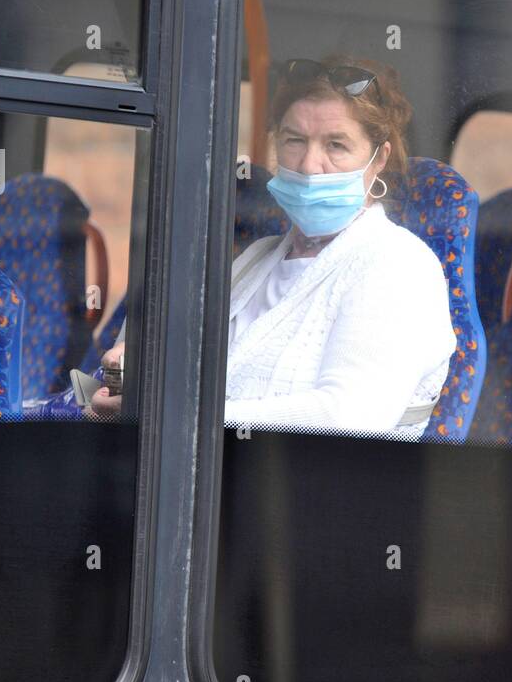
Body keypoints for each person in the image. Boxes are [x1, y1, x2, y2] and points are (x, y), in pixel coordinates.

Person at [90, 55, 456, 438]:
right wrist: (135, 369)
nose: (310, 164)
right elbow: (189, 362)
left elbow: (347, 417)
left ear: (378, 159)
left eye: (336, 145)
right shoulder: (258, 256)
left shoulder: (400, 266)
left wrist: (176, 418)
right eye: (295, 140)